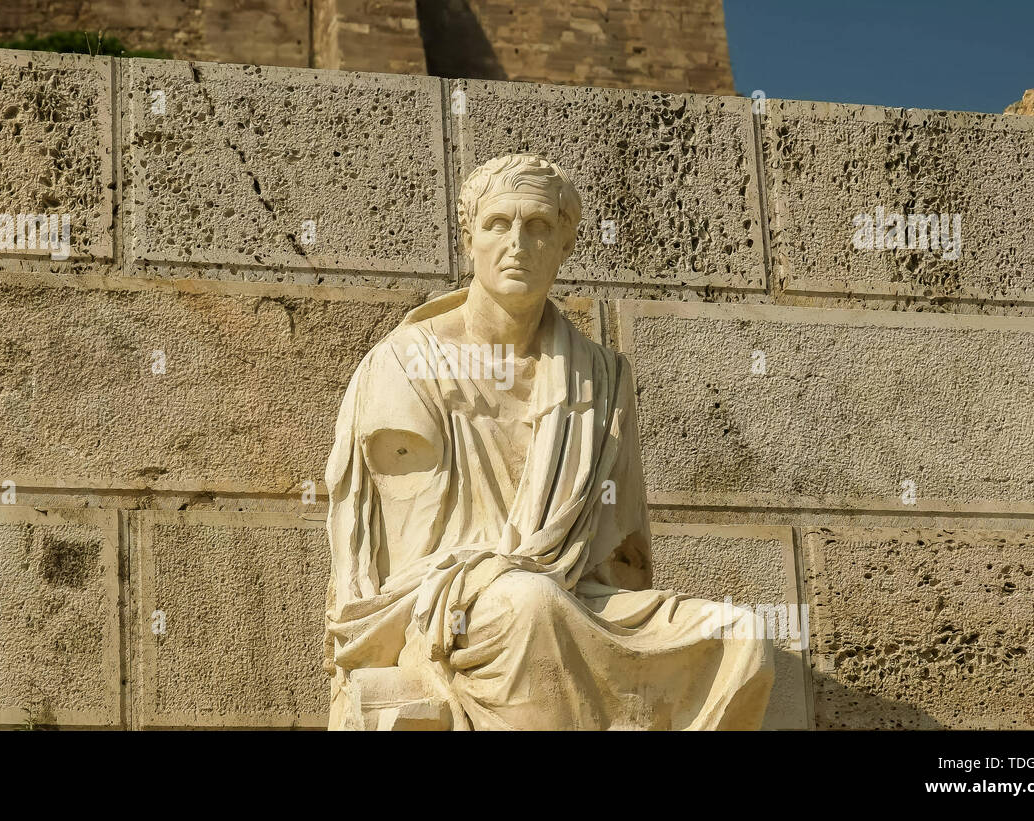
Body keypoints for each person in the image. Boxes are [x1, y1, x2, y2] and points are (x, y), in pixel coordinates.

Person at [324, 153, 773, 730]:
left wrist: (609, 620)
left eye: (538, 226)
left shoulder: (602, 375)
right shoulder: (407, 364)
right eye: (497, 224)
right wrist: (508, 579)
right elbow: (407, 557)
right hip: (451, 605)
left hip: (569, 594)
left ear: (564, 244)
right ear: (469, 239)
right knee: (527, 603)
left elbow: (621, 552)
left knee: (743, 638)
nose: (517, 243)